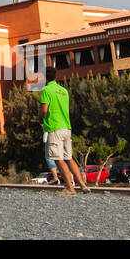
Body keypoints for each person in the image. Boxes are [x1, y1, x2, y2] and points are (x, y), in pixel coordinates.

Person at [40, 66, 90, 195]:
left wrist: (40, 118)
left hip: (54, 127)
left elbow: (44, 110)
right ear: (56, 76)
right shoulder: (63, 90)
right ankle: (83, 185)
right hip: (66, 127)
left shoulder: (46, 90)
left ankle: (70, 188)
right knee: (69, 158)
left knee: (58, 159)